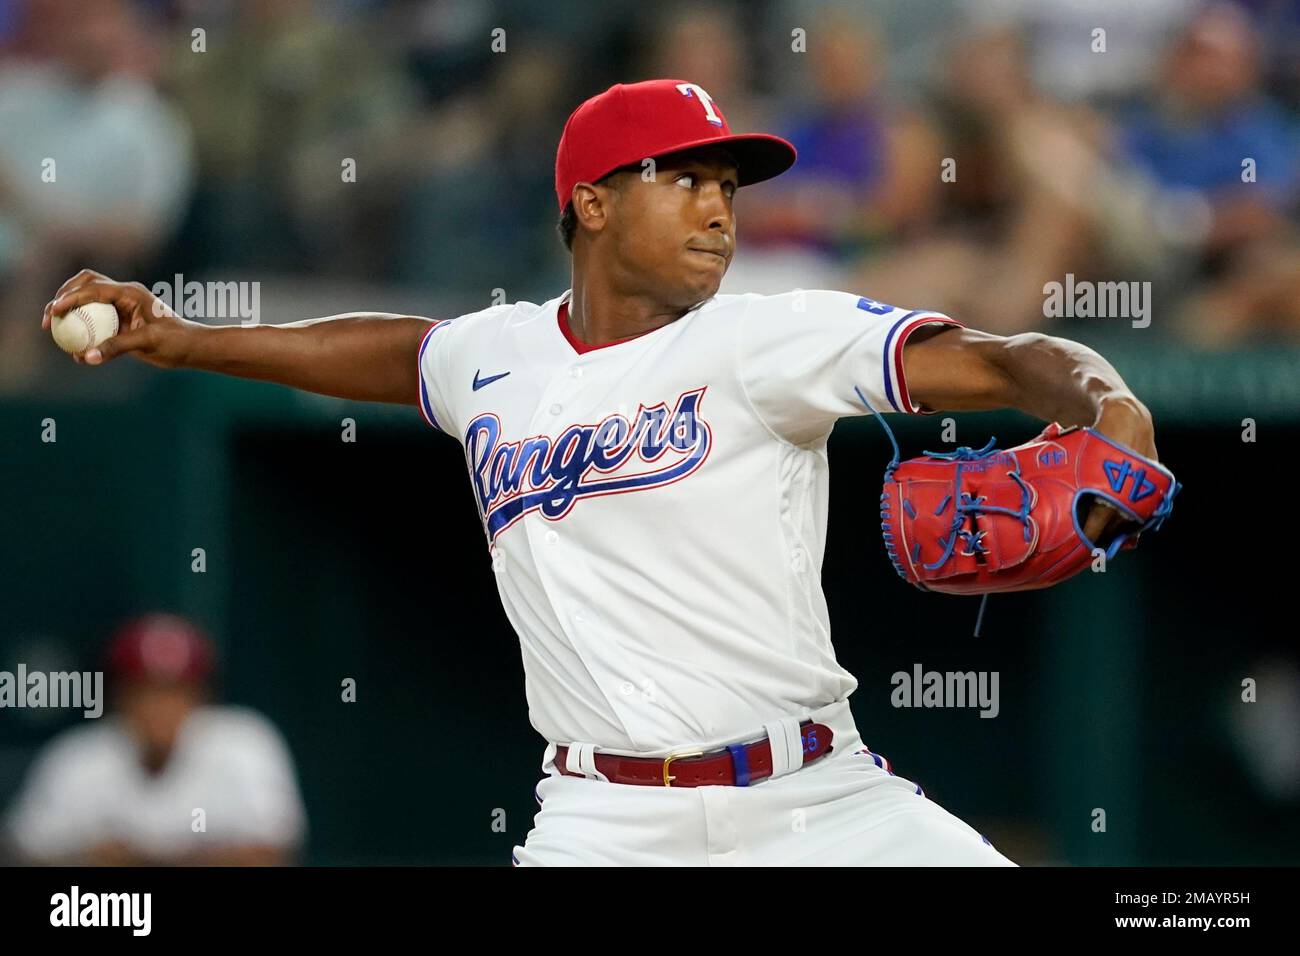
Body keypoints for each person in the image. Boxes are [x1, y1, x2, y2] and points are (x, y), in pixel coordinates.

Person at [39, 79, 1159, 866]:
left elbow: (1001, 358)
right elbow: (396, 351)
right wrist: (184, 338)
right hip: (603, 819)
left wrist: (1111, 403)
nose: (720, 207)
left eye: (730, 182)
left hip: (821, 799)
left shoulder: (763, 337)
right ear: (591, 201)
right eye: (685, 179)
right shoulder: (496, 353)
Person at [5, 613, 307, 865]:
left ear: (202, 697)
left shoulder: (244, 744)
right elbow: (22, 850)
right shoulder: (78, 757)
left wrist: (138, 858)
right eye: (144, 692)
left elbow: (273, 850)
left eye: (174, 692)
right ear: (119, 698)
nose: (159, 708)